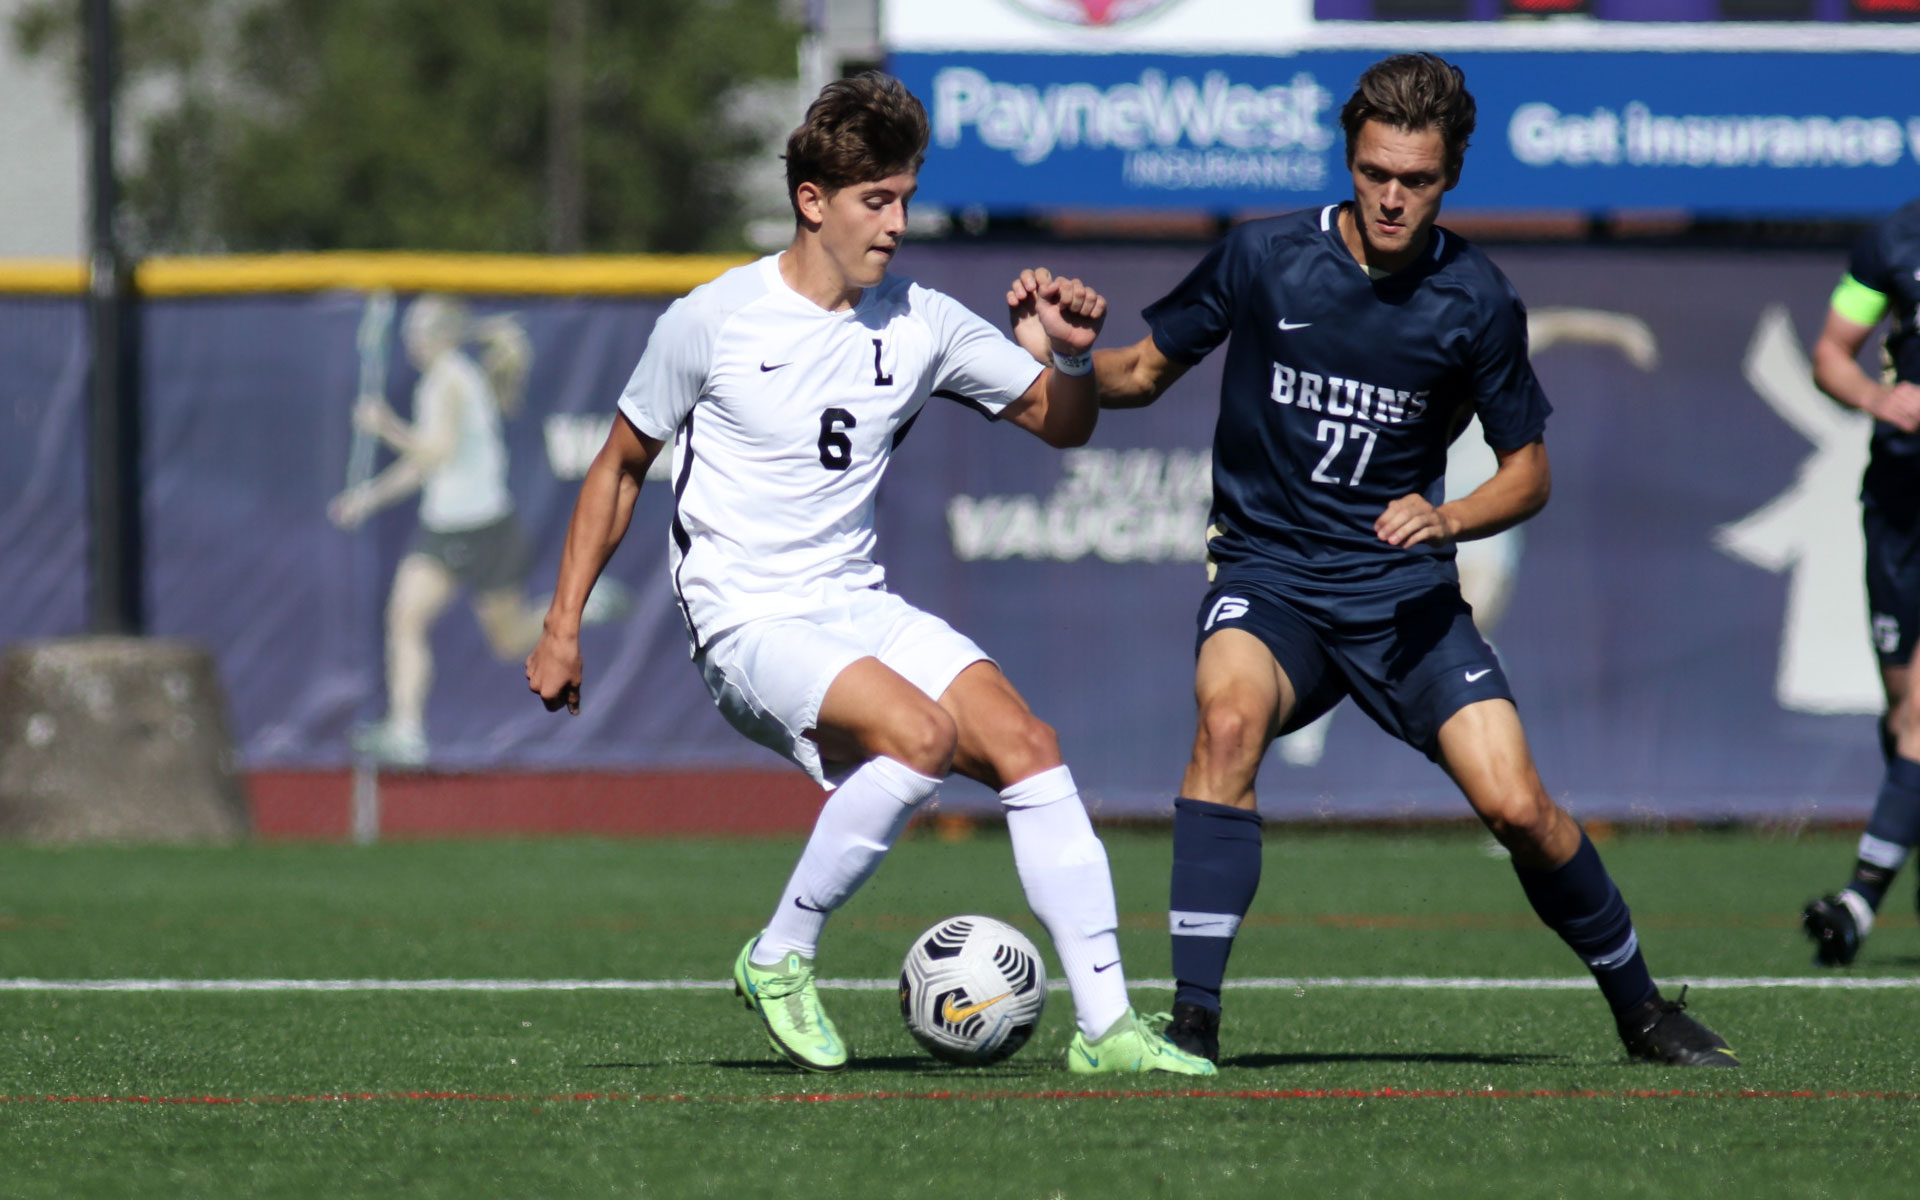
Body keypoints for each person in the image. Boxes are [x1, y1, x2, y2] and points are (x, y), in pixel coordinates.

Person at [1015, 52, 1736, 1067]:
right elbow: (1136, 375)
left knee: (1517, 806)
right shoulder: (1263, 259)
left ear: (1450, 179)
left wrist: (1450, 520)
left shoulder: (1478, 299)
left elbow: (1529, 474)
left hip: (1403, 597)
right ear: (1350, 160)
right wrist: (1075, 352)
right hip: (1269, 581)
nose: (1392, 197)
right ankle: (1193, 1026)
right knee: (1226, 726)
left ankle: (1642, 1009)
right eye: (1374, 172)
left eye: (1417, 180)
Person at [524, 72, 1214, 1078]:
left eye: (904, 198)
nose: (895, 222)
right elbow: (620, 463)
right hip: (747, 621)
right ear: (814, 202)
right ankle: (781, 955)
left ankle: (1108, 1029)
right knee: (923, 736)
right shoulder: (712, 319)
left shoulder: (921, 319)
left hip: (857, 605)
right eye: (873, 201)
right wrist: (561, 624)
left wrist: (1069, 358)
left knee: (1027, 743)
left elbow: (1063, 424)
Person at [331, 295, 553, 766]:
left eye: (419, 332)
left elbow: (434, 453)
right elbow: (422, 468)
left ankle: (578, 610)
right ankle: (408, 730)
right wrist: (365, 499)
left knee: (510, 641)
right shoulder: (444, 379)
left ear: (442, 336)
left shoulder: (448, 380)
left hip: (483, 527)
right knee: (404, 619)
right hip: (444, 526)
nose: (410, 341)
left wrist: (383, 425)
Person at [1800, 196, 1920, 966]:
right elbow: (1831, 352)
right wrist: (1880, 397)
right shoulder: (1895, 242)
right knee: (1904, 713)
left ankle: (1859, 901)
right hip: (1902, 509)